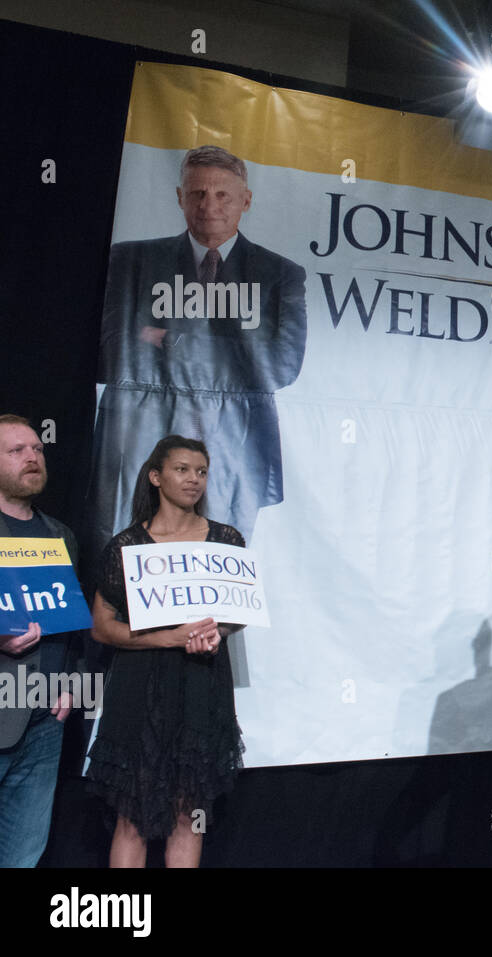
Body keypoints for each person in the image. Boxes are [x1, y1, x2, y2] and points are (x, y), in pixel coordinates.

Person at [89, 145, 307, 559]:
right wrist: (238, 349)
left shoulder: (281, 274)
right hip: (135, 439)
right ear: (179, 197)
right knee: (123, 566)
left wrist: (168, 339)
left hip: (235, 447)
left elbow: (280, 366)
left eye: (223, 195)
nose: (209, 206)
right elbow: (110, 352)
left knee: (217, 570)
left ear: (246, 200)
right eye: (197, 194)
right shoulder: (130, 260)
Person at [86, 435, 244, 867]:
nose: (193, 479)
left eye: (201, 471)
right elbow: (102, 627)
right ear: (156, 476)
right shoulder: (127, 546)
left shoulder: (226, 540)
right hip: (140, 689)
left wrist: (218, 632)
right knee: (132, 814)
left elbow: (239, 612)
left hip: (202, 686)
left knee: (190, 812)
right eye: (182, 469)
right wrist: (169, 638)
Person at [0, 415, 79, 866]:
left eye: (37, 449)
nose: (32, 457)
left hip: (43, 725)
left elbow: (71, 624)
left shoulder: (59, 535)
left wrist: (71, 682)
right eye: (17, 451)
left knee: (23, 856)